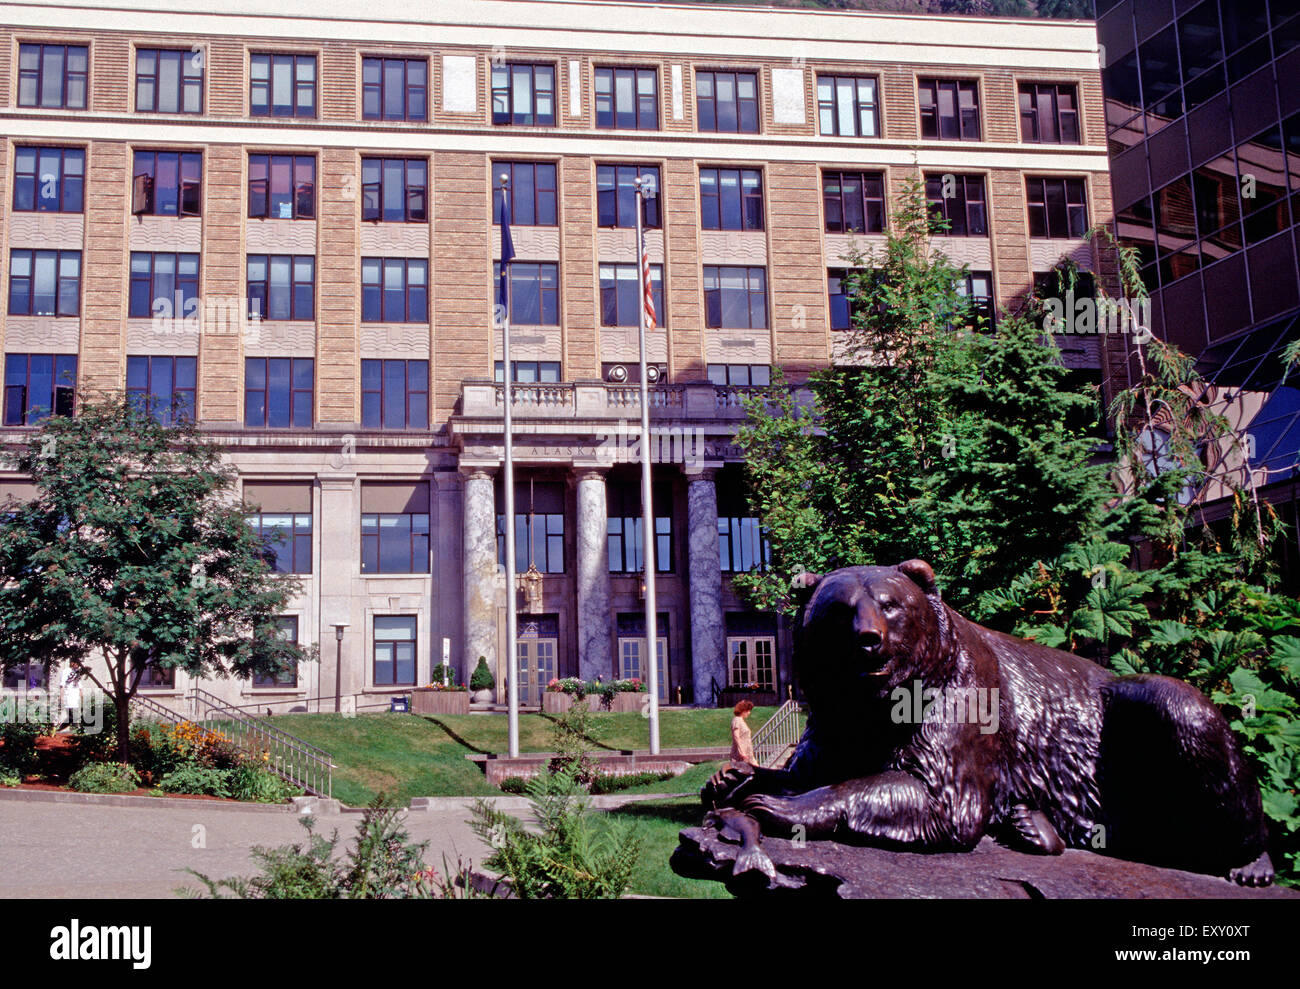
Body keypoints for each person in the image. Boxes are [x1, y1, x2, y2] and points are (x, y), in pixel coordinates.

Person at [730, 699, 756, 767]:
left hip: (748, 752)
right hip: (741, 754)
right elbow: (736, 736)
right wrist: (741, 752)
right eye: (748, 711)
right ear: (743, 711)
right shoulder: (737, 720)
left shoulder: (741, 721)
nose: (749, 713)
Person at [61, 661, 83, 733]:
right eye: (76, 663)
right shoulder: (66, 671)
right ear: (72, 663)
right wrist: (61, 695)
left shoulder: (78, 672)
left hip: (75, 696)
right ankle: (75, 730)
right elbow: (62, 684)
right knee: (72, 715)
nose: (77, 665)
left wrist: (81, 694)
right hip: (68, 695)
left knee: (74, 715)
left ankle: (75, 730)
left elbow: (79, 684)